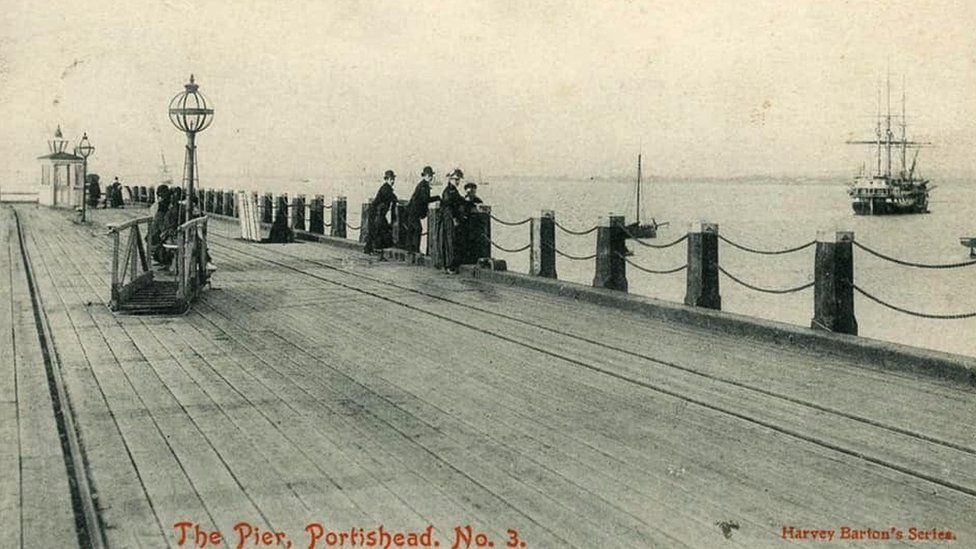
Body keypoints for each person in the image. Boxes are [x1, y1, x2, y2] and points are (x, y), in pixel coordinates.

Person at [404, 166, 440, 253]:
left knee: (412, 229)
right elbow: (425, 199)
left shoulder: (423, 185)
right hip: (414, 211)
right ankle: (415, 250)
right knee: (417, 229)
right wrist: (437, 197)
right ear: (424, 176)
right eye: (428, 175)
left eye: (431, 175)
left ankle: (410, 249)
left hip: (412, 211)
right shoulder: (424, 186)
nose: (430, 177)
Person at [364, 169, 397, 255]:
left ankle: (373, 249)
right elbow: (391, 197)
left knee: (377, 230)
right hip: (376, 213)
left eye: (393, 179)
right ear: (386, 179)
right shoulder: (386, 189)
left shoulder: (387, 188)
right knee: (376, 230)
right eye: (391, 179)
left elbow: (393, 197)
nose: (392, 181)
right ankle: (373, 249)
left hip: (379, 213)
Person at [438, 168, 465, 274]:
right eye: (455, 179)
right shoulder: (449, 191)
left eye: (458, 180)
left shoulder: (452, 190)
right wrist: (454, 219)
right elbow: (449, 206)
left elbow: (459, 200)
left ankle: (450, 265)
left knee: (450, 241)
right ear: (450, 179)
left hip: (449, 218)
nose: (457, 181)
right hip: (449, 219)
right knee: (450, 241)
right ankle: (449, 266)